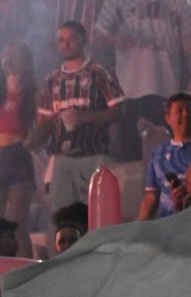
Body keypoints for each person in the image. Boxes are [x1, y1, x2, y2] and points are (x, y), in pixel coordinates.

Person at [96, 0, 191, 138]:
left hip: (168, 90)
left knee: (170, 151)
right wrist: (115, 40)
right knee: (134, 155)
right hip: (129, 90)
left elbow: (190, 41)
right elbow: (98, 36)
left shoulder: (179, 1)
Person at [39, 21, 126, 210]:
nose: (65, 44)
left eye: (70, 39)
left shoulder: (100, 73)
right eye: (61, 40)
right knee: (62, 218)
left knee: (96, 215)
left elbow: (119, 110)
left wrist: (85, 117)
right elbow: (43, 121)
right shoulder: (51, 79)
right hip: (61, 159)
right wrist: (32, 141)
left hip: (93, 155)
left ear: (83, 40)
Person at [140, 94, 191, 218]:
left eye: (190, 111)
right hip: (169, 224)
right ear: (168, 118)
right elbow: (151, 197)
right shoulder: (158, 153)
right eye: (179, 111)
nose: (185, 115)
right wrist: (138, 229)